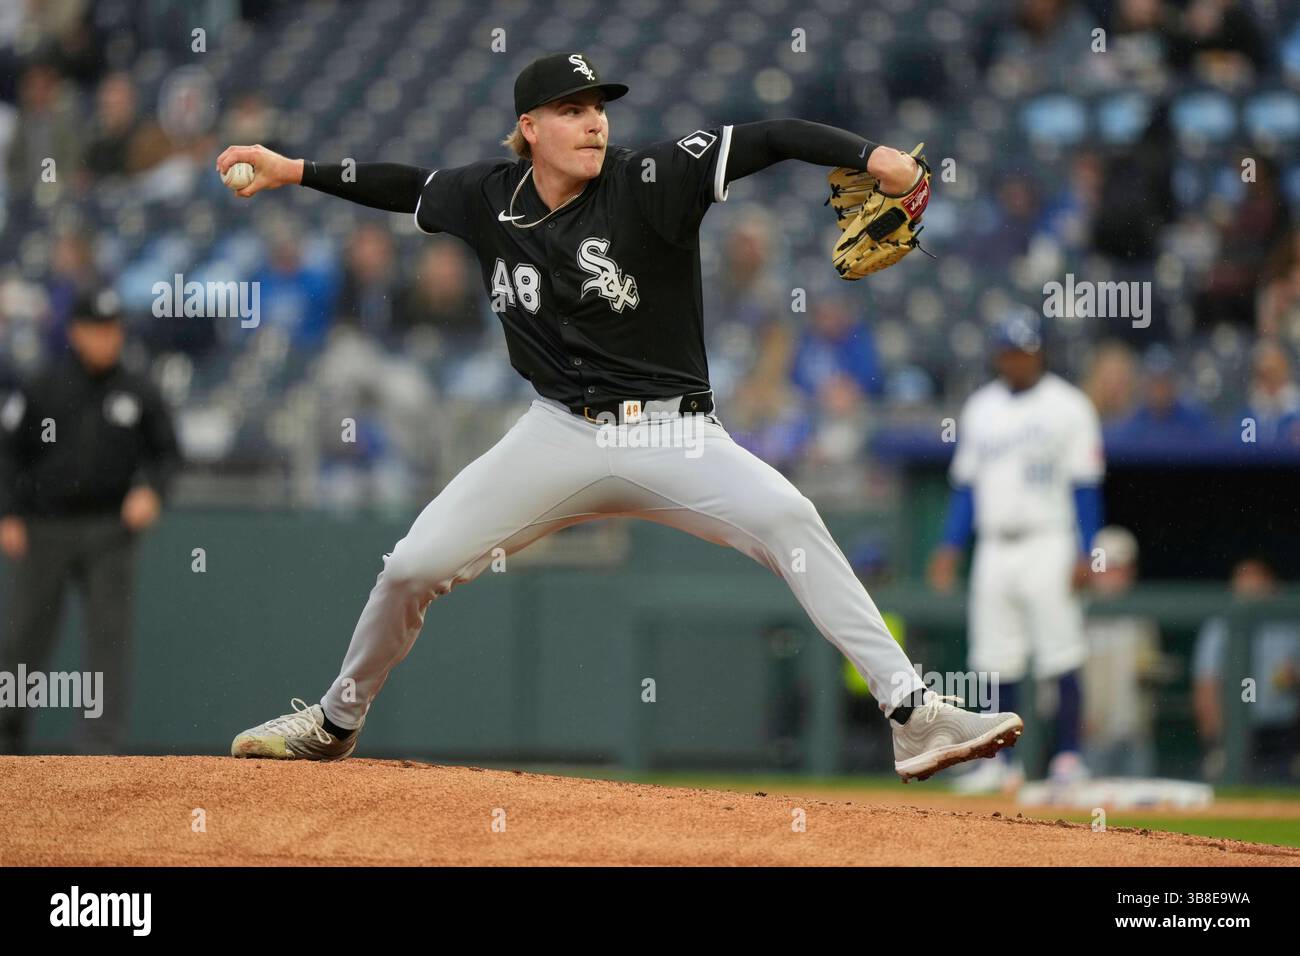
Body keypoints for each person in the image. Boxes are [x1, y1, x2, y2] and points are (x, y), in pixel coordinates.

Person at [216, 51, 1023, 781]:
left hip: (674, 433)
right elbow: (400, 184)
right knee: (408, 569)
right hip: (555, 432)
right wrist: (293, 170)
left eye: (599, 106)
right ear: (530, 129)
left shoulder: (652, 178)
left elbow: (771, 135)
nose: (594, 120)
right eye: (571, 109)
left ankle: (914, 715)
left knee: (790, 518)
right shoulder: (485, 196)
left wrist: (872, 155)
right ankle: (335, 722)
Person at [928, 309, 1103, 793]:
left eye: (1023, 352)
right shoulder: (981, 407)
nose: (1016, 361)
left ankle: (1069, 757)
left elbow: (1085, 486)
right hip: (994, 544)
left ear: (1039, 352)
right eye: (1008, 352)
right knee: (992, 657)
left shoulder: (1069, 406)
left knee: (1060, 653)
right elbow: (965, 487)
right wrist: (949, 546)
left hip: (1049, 539)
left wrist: (1086, 550)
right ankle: (995, 762)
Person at [0, 289, 181, 754]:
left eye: (114, 329)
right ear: (76, 332)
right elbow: (8, 454)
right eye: (98, 329)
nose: (107, 339)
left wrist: (151, 491)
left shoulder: (137, 388)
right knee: (23, 637)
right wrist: (8, 513)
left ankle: (99, 746)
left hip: (109, 529)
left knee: (109, 638)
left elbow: (167, 453)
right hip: (45, 527)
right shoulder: (43, 385)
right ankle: (6, 736)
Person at [1192, 557, 1300, 784]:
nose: (1250, 597)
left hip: (1281, 732)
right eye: (1244, 591)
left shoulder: (1289, 627)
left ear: (1272, 589)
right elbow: (1206, 687)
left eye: (1256, 590)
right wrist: (1215, 742)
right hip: (1234, 732)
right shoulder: (1219, 627)